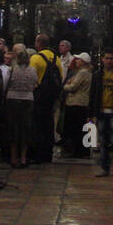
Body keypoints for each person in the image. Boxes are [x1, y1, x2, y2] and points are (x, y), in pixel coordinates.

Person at [28, 34, 63, 164]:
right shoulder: (56, 58)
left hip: (39, 96)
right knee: (49, 124)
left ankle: (37, 154)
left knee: (37, 125)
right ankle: (48, 153)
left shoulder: (36, 58)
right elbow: (61, 76)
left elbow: (30, 78)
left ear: (38, 44)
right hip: (51, 97)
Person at [4, 49, 37, 167]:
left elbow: (6, 83)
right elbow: (34, 83)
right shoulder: (32, 70)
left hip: (12, 99)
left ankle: (13, 157)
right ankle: (23, 157)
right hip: (28, 99)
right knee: (25, 129)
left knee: (13, 128)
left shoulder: (12, 69)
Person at [61, 53, 92, 158]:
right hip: (83, 102)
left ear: (83, 62)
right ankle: (82, 151)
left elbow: (72, 87)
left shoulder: (82, 73)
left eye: (78, 59)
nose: (76, 61)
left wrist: (65, 85)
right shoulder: (88, 72)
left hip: (75, 103)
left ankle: (76, 151)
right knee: (81, 128)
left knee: (74, 128)